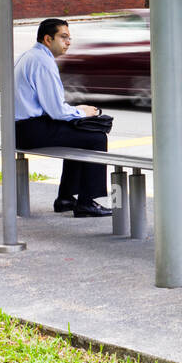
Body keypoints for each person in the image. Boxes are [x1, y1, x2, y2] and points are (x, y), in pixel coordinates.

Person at [14, 18, 112, 217]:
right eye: (63, 37)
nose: (68, 42)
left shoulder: (30, 56)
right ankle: (86, 202)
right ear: (48, 39)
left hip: (21, 128)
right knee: (95, 138)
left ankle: (66, 198)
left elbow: (51, 106)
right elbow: (56, 111)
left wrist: (77, 110)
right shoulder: (43, 63)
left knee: (80, 134)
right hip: (31, 130)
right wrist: (82, 112)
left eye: (70, 38)